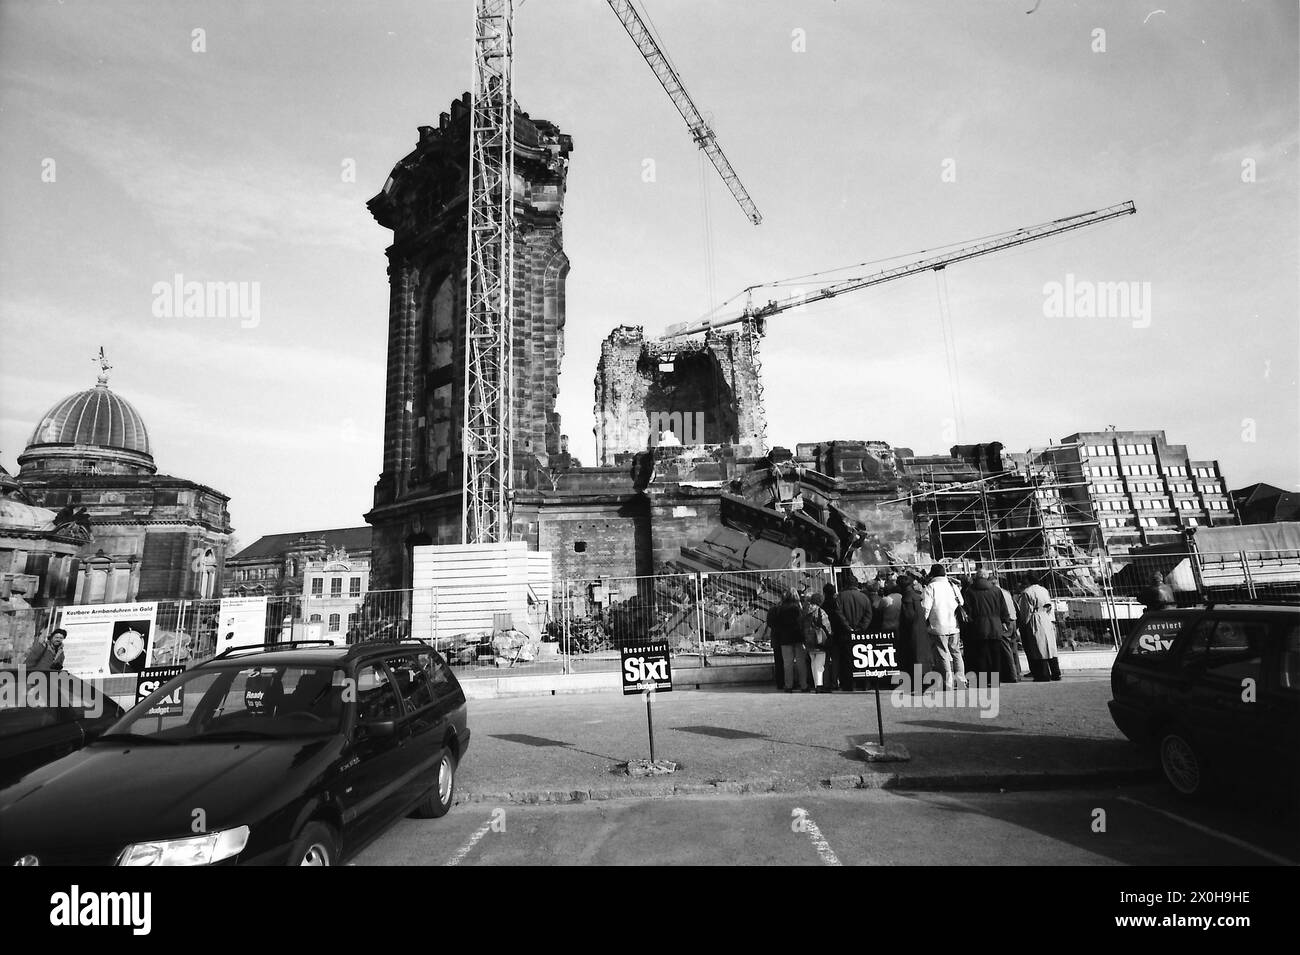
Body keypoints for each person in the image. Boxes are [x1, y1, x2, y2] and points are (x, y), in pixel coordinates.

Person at [922, 564, 966, 690]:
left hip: (938, 626)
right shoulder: (953, 586)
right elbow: (961, 602)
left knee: (943, 654)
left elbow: (926, 607)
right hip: (954, 625)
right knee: (956, 653)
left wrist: (923, 622)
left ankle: (948, 684)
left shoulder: (931, 587)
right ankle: (961, 681)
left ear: (932, 574)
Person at [962, 568, 1010, 683]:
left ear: (976, 577)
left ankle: (983, 681)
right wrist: (1005, 621)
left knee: (981, 655)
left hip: (978, 627)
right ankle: (995, 681)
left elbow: (968, 611)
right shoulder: (996, 590)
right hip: (995, 625)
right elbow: (1003, 608)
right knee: (995, 655)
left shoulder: (970, 591)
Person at [1017, 581, 1061, 682]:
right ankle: (1056, 672)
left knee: (1038, 647)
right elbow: (1049, 606)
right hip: (1045, 617)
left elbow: (1025, 611)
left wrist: (1022, 625)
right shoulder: (1044, 590)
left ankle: (1043, 674)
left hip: (1034, 617)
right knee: (1050, 647)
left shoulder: (1027, 592)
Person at [896, 572, 931, 692]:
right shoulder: (915, 597)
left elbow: (908, 619)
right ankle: (923, 682)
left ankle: (919, 685)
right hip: (921, 631)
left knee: (914, 658)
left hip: (912, 633)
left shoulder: (907, 600)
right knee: (921, 657)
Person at [771, 590, 808, 692]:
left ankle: (788, 686)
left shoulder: (780, 609)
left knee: (787, 664)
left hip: (785, 639)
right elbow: (802, 622)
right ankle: (804, 685)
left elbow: (777, 623)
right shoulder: (798, 608)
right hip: (798, 638)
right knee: (801, 663)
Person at [994, 573, 1024, 682]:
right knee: (1013, 648)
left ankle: (1011, 675)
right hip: (1013, 621)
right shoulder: (1006, 592)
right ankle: (1017, 672)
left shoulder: (996, 593)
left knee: (1006, 650)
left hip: (1005, 622)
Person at [821, 584, 851, 692]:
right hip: (838, 635)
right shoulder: (836, 604)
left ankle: (826, 682)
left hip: (826, 636)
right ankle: (835, 682)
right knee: (836, 660)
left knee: (825, 661)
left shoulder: (823, 605)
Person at [802, 593, 834, 693]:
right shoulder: (820, 611)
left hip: (808, 640)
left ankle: (816, 684)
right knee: (819, 664)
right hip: (819, 641)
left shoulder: (805, 610)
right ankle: (819, 686)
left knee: (813, 662)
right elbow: (826, 626)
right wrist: (830, 635)